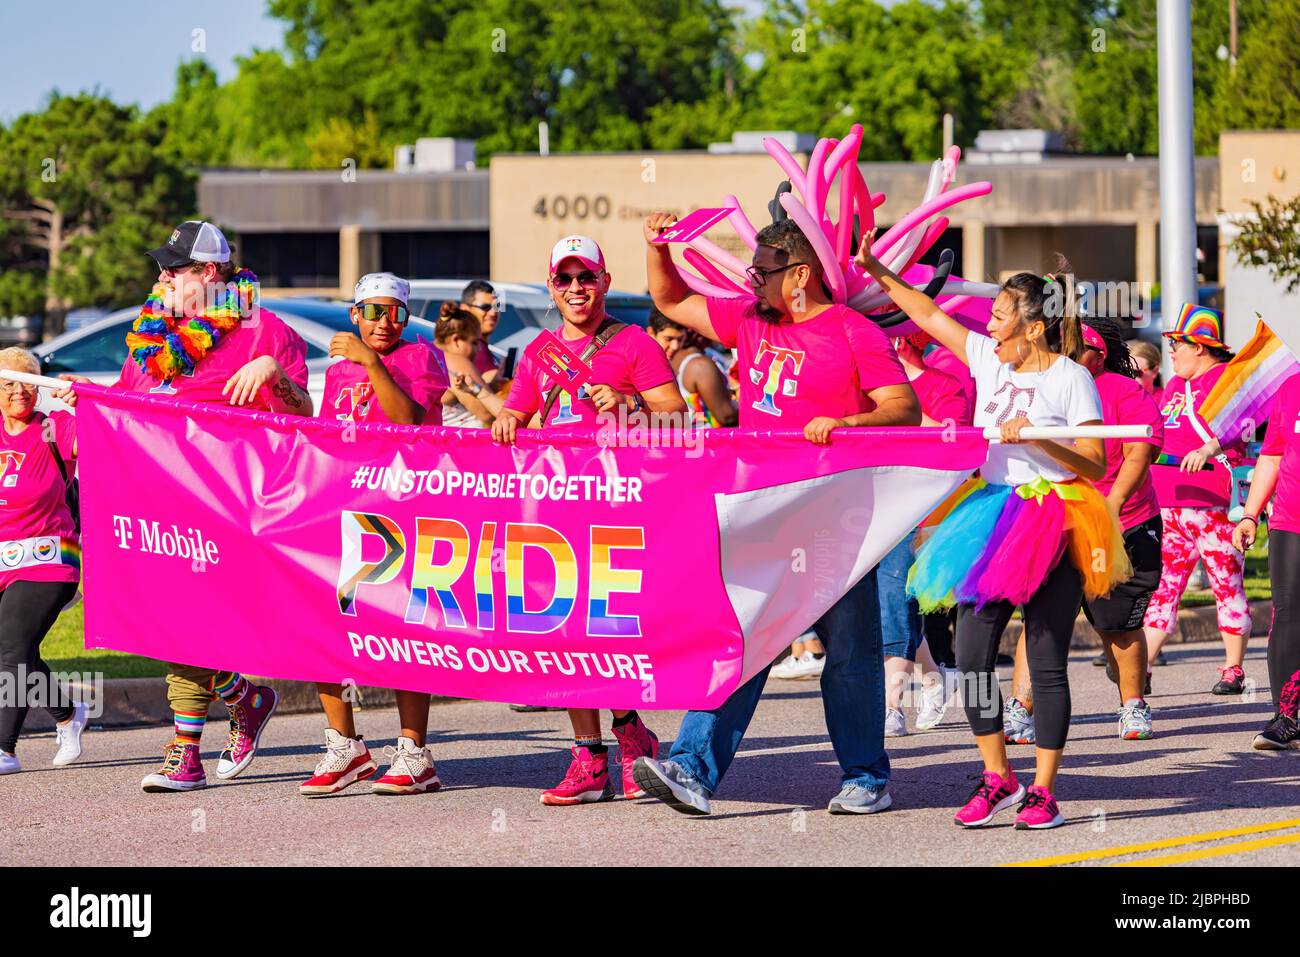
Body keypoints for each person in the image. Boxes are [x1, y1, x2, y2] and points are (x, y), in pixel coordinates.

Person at [634, 212, 921, 816]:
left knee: (849, 652)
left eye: (760, 272)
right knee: (740, 639)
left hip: (834, 515)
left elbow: (904, 407)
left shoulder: (851, 330)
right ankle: (691, 769)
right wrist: (659, 247)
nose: (749, 282)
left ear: (799, 275)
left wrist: (847, 424)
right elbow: (670, 298)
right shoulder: (748, 319)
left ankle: (866, 777)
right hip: (762, 512)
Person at [866, 244, 1129, 830]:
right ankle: (997, 775)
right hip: (991, 516)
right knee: (972, 655)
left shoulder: (1072, 377)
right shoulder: (988, 359)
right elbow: (929, 315)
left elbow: (1093, 461)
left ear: (1033, 327)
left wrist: (1037, 438)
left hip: (1058, 519)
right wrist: (878, 273)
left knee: (1046, 658)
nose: (988, 324)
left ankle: (1043, 790)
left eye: (1000, 315)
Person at [59, 220, 313, 792]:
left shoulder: (262, 329)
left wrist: (273, 374)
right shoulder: (150, 336)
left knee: (187, 620)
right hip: (155, 502)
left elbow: (305, 419)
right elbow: (128, 411)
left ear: (209, 273)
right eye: (162, 266)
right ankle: (245, 700)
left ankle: (185, 749)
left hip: (229, 509)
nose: (161, 276)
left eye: (173, 268)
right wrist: (88, 402)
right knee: (170, 622)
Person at [491, 234, 686, 804]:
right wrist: (505, 419)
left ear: (604, 281)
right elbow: (515, 409)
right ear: (551, 286)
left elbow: (678, 422)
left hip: (615, 512)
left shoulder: (633, 343)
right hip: (552, 513)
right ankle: (589, 756)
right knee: (562, 630)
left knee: (607, 628)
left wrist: (628, 409)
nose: (576, 289)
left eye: (586, 277)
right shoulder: (537, 351)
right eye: (564, 279)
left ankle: (629, 738)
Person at [302, 272, 450, 796]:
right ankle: (345, 746)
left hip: (401, 512)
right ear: (354, 316)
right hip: (345, 509)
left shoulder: (421, 357)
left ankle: (414, 752)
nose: (384, 323)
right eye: (373, 312)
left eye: (395, 313)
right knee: (327, 625)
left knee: (402, 629)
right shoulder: (340, 364)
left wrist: (371, 364)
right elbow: (329, 433)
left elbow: (407, 422)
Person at [1008, 317, 1165, 743]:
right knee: (1038, 620)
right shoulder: (1046, 383)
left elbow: (1139, 451)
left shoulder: (1121, 389)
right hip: (1057, 522)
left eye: (1079, 349)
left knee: (1117, 626)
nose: (1071, 356)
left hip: (1125, 523)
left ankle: (1133, 705)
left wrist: (1109, 508)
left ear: (1098, 354)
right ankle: (1020, 709)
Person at [1144, 306, 1251, 695]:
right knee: (1164, 586)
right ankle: (1144, 668)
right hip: (1169, 501)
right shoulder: (1174, 386)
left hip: (1214, 502)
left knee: (1226, 583)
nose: (1171, 350)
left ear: (1201, 348)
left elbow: (1250, 421)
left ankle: (1234, 669)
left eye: (1178, 343)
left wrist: (1210, 446)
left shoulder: (1227, 379)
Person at [0, 349, 89, 775]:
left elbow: (110, 438)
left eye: (29, 382)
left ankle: (4, 748)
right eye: (9, 383)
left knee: (13, 647)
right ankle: (68, 714)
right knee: (17, 649)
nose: (20, 391)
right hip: (2, 561)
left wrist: (86, 402)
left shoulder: (57, 428)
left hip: (49, 558)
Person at [881, 331, 970, 735]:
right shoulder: (868, 387)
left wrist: (906, 410)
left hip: (925, 512)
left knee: (898, 600)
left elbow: (951, 446)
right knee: (888, 602)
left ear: (900, 344)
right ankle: (933, 680)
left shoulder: (943, 387)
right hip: (873, 506)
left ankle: (891, 706)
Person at [1233, 370, 1300, 749]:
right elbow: (1272, 455)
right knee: (1289, 612)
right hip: (1291, 519)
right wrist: (1249, 513)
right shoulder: (1292, 387)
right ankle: (1286, 718)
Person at [647, 308, 738, 427]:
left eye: (680, 339)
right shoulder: (699, 365)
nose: (675, 346)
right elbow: (727, 417)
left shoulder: (676, 360)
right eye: (668, 339)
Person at [434, 303, 505, 427]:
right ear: (456, 340)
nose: (478, 349)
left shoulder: (428, 353)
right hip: (460, 444)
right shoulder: (455, 362)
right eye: (474, 342)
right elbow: (488, 414)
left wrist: (487, 384)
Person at [460, 280, 502, 381]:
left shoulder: (482, 346)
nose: (493, 313)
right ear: (465, 309)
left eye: (496, 307)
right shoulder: (464, 347)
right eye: (485, 307)